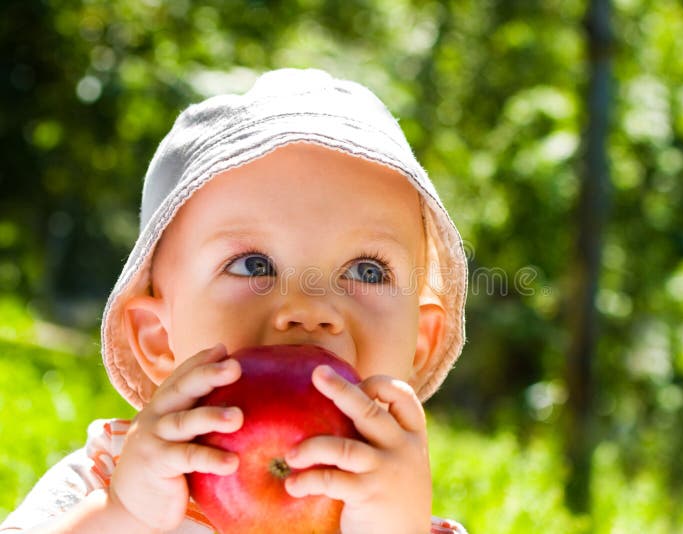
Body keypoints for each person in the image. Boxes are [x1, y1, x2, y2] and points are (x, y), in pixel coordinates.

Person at [0, 68, 468, 534]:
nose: (309, 309)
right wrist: (124, 516)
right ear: (159, 338)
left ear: (419, 345)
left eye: (367, 271)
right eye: (254, 266)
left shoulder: (399, 517)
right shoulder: (111, 484)